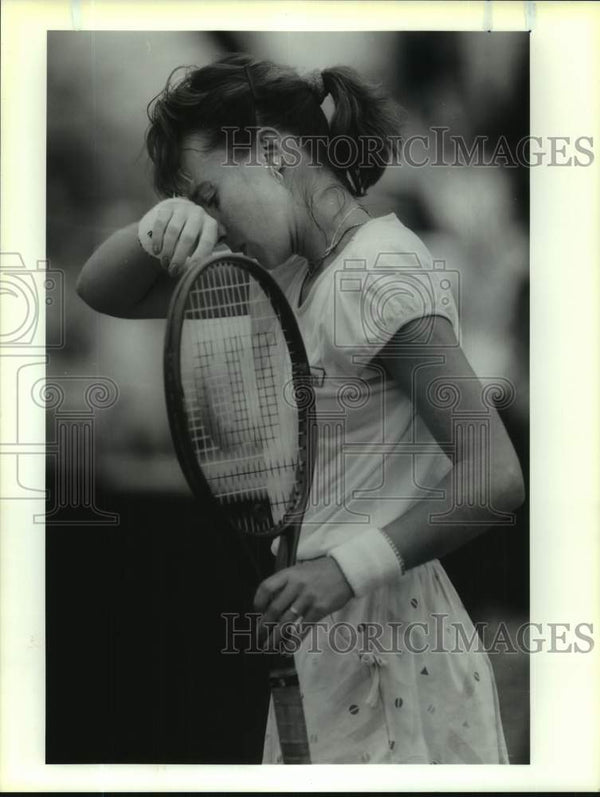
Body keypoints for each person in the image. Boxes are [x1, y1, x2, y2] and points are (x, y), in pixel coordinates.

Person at [77, 53, 525, 764]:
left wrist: (343, 571)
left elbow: (495, 476)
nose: (213, 224)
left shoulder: (377, 271)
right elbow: (102, 290)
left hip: (395, 646)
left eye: (211, 196)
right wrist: (159, 224)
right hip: (326, 635)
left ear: (271, 149)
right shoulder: (281, 274)